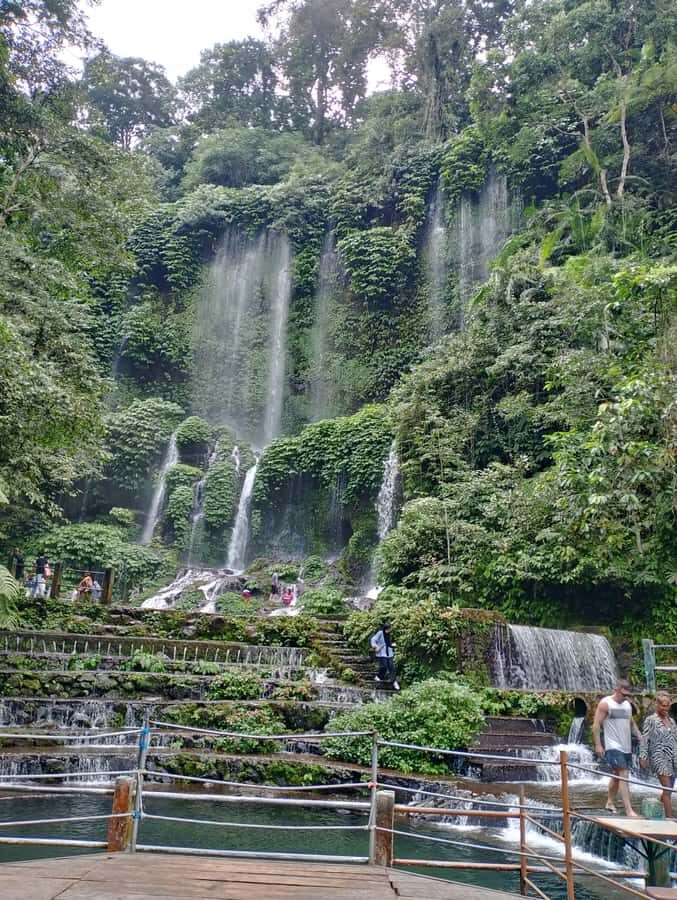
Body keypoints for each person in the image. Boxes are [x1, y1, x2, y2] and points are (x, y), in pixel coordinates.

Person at [593, 679, 641, 816]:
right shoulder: (606, 704)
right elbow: (596, 725)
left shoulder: (627, 705)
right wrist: (598, 744)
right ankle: (629, 810)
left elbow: (631, 723)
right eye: (623, 694)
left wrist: (640, 736)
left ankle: (609, 802)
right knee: (623, 774)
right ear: (616, 690)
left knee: (616, 775)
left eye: (627, 695)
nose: (625, 697)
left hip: (626, 746)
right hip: (612, 746)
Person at [639, 691, 677, 818]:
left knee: (669, 788)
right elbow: (644, 739)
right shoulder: (651, 720)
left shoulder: (671, 721)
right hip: (658, 757)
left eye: (667, 705)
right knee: (667, 788)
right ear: (657, 704)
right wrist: (643, 756)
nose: (665, 708)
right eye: (663, 705)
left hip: (673, 758)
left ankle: (655, 807)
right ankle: (670, 819)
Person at [370, 622, 400, 691]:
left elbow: (388, 643)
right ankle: (379, 676)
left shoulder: (389, 635)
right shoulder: (380, 633)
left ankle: (394, 681)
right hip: (381, 653)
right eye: (388, 629)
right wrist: (375, 647)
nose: (389, 630)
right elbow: (373, 639)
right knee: (383, 666)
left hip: (389, 653)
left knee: (391, 667)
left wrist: (393, 645)